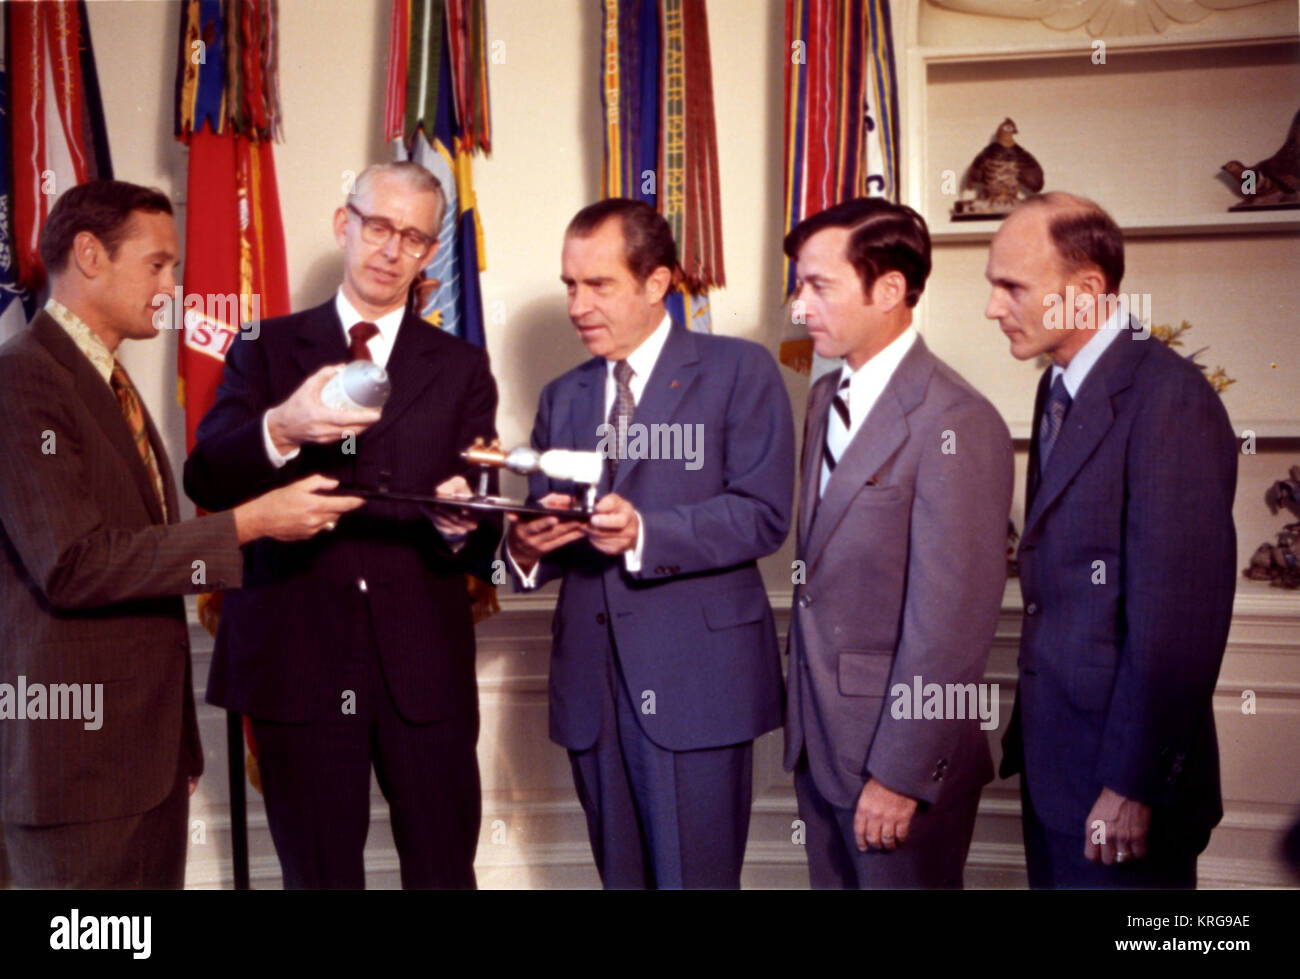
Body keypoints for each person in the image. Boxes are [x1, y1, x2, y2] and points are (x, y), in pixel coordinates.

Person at [0, 179, 361, 888]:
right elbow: (72, 564)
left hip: (143, 764)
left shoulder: (108, 382)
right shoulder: (23, 380)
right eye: (158, 264)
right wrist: (253, 522)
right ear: (89, 256)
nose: (172, 287)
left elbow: (142, 580)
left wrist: (178, 746)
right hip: (75, 774)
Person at [184, 162, 499, 889]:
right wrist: (282, 427)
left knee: (445, 873)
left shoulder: (460, 366)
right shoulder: (263, 346)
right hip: (297, 660)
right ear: (343, 224)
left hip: (424, 668)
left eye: (413, 237)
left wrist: (461, 524)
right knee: (319, 878)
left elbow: (486, 525)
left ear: (429, 254)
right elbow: (206, 478)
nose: (391, 249)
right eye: (379, 226)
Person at [506, 198, 794, 888]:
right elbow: (533, 540)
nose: (578, 305)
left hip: (697, 683)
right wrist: (524, 544)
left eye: (598, 284)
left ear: (657, 282)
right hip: (592, 692)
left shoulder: (740, 371)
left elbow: (764, 514)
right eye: (569, 285)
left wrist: (646, 532)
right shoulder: (562, 396)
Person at [987, 191, 1237, 888]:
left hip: (1124, 793)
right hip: (1059, 773)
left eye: (1012, 286)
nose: (993, 307)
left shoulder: (1171, 400)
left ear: (1087, 288)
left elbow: (1178, 627)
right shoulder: (1056, 390)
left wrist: (1132, 786)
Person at [781, 198, 1013, 888]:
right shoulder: (824, 401)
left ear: (889, 290)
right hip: (820, 744)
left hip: (895, 762)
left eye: (817, 285)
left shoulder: (958, 420)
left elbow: (953, 625)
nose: (799, 306)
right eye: (798, 284)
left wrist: (901, 773)